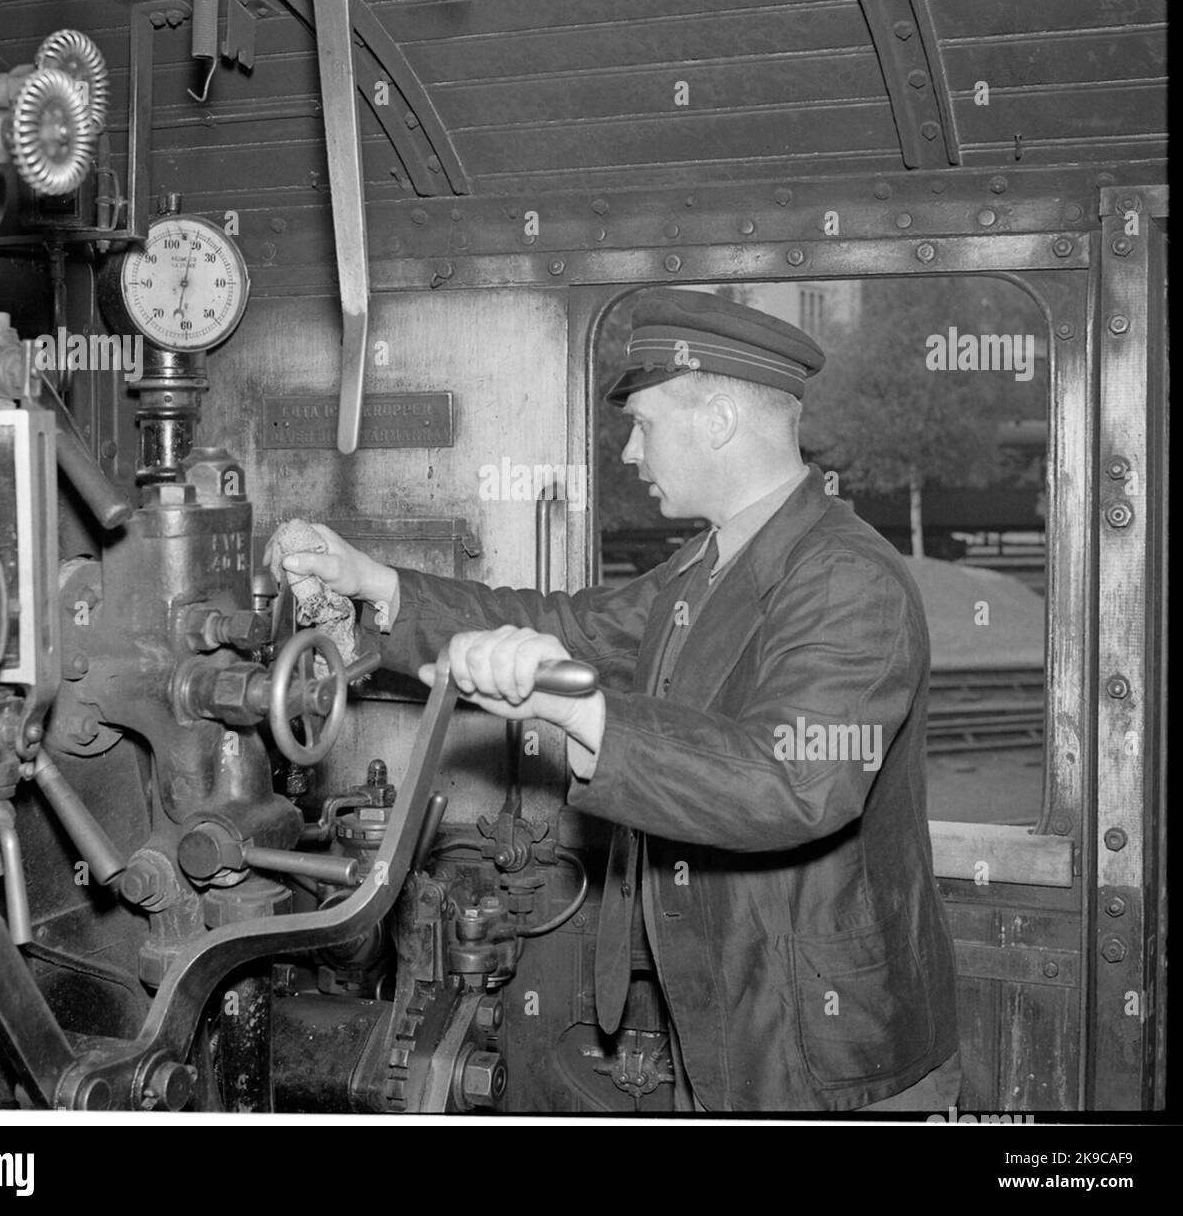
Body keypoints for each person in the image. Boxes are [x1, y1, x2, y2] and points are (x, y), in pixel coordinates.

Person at [278, 287, 959, 1112]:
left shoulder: (847, 577)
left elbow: (792, 781)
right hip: (730, 1015)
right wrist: (377, 584)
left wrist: (585, 714)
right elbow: (575, 628)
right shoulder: (713, 561)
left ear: (718, 421)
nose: (632, 453)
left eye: (644, 424)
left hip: (826, 1047)